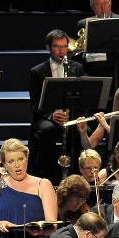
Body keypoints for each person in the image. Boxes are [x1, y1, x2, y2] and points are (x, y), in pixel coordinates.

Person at [28, 30, 84, 183]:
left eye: (64, 47)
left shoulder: (77, 68)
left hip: (70, 117)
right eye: (57, 47)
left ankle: (76, 176)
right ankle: (46, 176)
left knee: (82, 131)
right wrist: (51, 115)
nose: (61, 51)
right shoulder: (37, 72)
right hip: (47, 118)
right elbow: (34, 106)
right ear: (48, 48)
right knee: (48, 130)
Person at [74, 0, 119, 88]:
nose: (103, 8)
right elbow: (79, 48)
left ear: (110, 3)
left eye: (106, 3)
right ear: (92, 6)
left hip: (114, 67)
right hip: (91, 67)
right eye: (98, 5)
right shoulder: (83, 24)